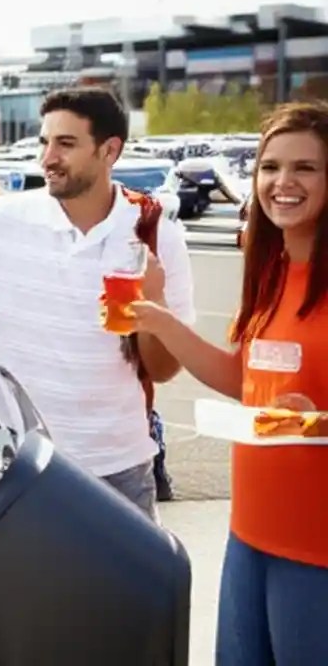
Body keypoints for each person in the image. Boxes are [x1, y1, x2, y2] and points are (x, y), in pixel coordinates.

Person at [0, 87, 194, 521]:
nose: (47, 157)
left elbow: (164, 369)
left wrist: (152, 301)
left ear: (109, 151)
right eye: (45, 142)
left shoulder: (155, 232)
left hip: (118, 468)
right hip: (20, 469)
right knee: (18, 592)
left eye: (65, 144)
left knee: (120, 592)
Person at [131, 102, 328, 665]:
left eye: (305, 168)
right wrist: (160, 318)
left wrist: (315, 420)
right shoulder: (268, 272)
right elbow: (244, 380)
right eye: (270, 167)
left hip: (316, 549)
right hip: (249, 535)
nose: (282, 183)